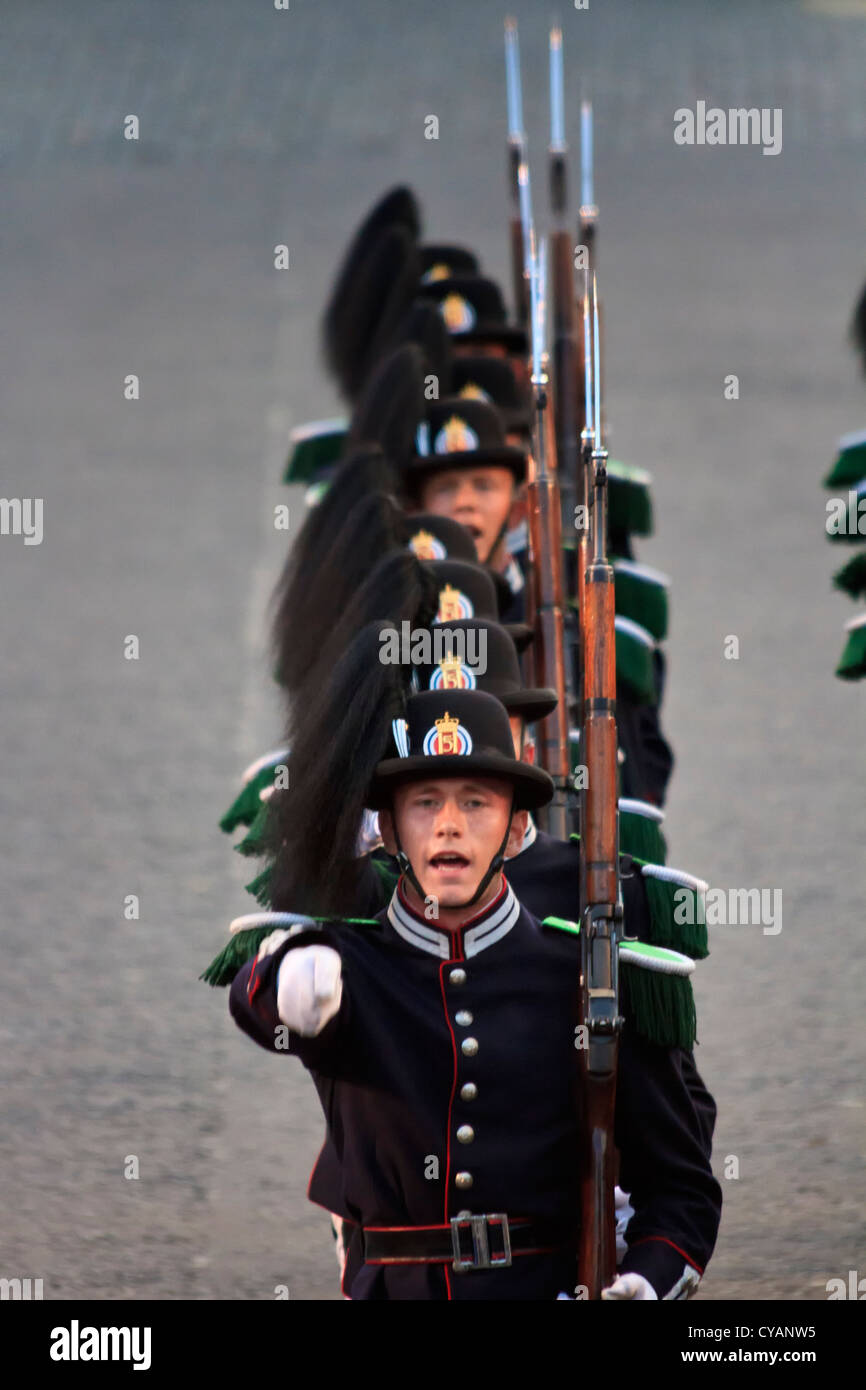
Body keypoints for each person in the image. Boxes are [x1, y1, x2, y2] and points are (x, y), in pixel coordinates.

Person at [224, 680, 721, 1301]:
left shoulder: (587, 975)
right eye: (425, 802)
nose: (449, 827)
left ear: (517, 831)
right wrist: (291, 982)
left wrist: (648, 1281)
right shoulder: (346, 968)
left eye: (476, 803)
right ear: (388, 829)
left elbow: (681, 1188)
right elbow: (260, 994)